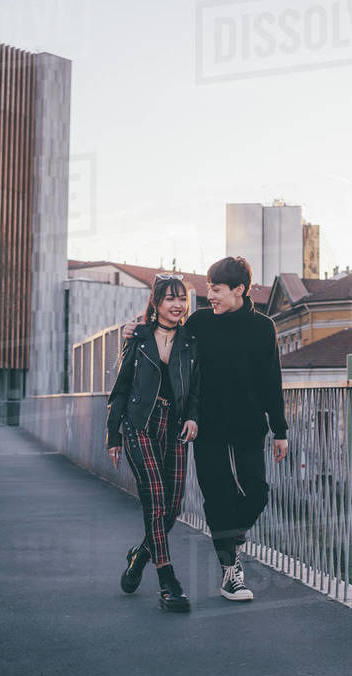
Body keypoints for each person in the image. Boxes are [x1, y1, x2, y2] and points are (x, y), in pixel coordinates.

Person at [123, 256, 289, 602]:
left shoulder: (263, 328)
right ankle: (231, 574)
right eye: (209, 289)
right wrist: (134, 331)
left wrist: (280, 429)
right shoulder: (198, 323)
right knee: (218, 497)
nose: (208, 295)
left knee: (257, 493)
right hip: (204, 425)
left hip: (248, 424)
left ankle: (223, 539)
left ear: (239, 290)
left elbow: (272, 380)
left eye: (216, 289)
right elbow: (162, 338)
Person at [107, 275, 200, 613]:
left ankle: (140, 555)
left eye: (182, 299)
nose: (177, 305)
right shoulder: (139, 338)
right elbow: (120, 389)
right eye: (170, 298)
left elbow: (196, 388)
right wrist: (113, 435)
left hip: (175, 428)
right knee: (155, 498)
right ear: (157, 303)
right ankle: (167, 579)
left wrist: (193, 417)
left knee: (172, 508)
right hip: (140, 425)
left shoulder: (190, 341)